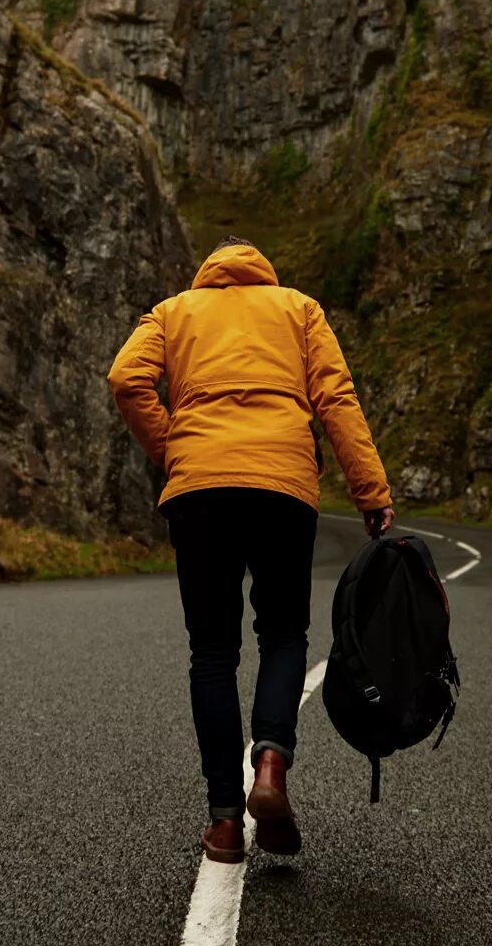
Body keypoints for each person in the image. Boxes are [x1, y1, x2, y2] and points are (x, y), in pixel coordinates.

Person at [106, 236, 395, 863]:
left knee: (212, 650)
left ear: (209, 273)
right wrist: (370, 490)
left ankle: (225, 823)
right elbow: (335, 398)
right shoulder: (299, 309)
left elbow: (126, 379)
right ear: (263, 269)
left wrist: (174, 448)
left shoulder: (173, 312)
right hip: (283, 487)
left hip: (198, 490)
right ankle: (269, 765)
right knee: (284, 635)